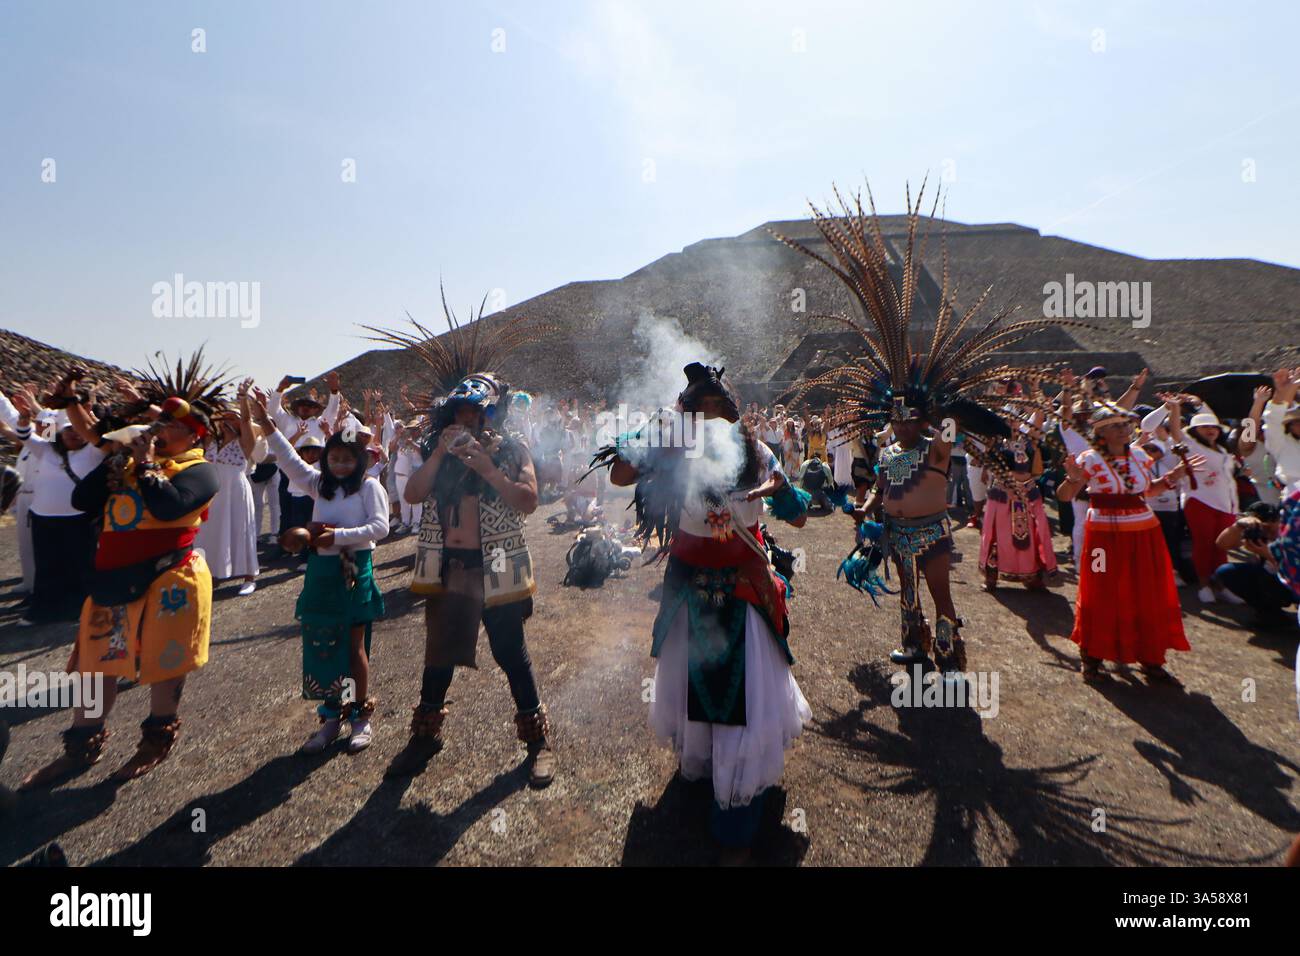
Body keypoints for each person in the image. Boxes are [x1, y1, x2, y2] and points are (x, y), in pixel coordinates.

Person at [596, 362, 811, 863]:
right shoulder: (672, 450)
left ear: (733, 414)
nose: (709, 419)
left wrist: (783, 489)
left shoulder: (756, 452)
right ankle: (705, 776)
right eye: (698, 410)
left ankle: (735, 824)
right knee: (696, 699)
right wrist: (655, 428)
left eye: (718, 410)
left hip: (741, 595)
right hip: (691, 595)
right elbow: (620, 472)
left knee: (742, 708)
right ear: (686, 413)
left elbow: (798, 515)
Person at [363, 301, 556, 786]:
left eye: (475, 414)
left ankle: (538, 743)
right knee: (439, 655)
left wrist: (487, 468)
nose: (467, 421)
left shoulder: (511, 450)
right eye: (460, 413)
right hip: (451, 566)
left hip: (497, 563)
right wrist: (439, 457)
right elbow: (411, 493)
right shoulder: (436, 451)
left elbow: (529, 501)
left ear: (490, 416)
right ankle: (424, 737)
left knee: (512, 654)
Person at [20, 353, 226, 787]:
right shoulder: (128, 462)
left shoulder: (202, 470)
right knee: (97, 664)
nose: (154, 430)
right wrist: (115, 459)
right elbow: (83, 502)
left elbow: (171, 506)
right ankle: (81, 748)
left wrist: (146, 465)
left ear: (191, 434)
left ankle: (155, 742)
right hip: (114, 579)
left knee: (164, 662)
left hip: (169, 578)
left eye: (166, 425)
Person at [251, 399, 390, 753]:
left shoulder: (369, 487)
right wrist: (267, 425)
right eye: (334, 458)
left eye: (347, 459)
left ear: (359, 461)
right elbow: (288, 460)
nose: (339, 464)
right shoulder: (318, 484)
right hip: (321, 571)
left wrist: (336, 537)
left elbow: (381, 527)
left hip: (352, 566)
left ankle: (359, 716)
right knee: (324, 644)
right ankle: (332, 717)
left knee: (353, 645)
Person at [1057, 402, 1199, 684]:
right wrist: (1072, 479)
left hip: (1145, 533)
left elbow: (1148, 490)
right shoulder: (1090, 459)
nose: (1125, 429)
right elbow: (1064, 495)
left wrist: (1172, 478)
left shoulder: (1139, 455)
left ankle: (1150, 656)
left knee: (1146, 591)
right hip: (1102, 538)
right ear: (1101, 433)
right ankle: (1093, 655)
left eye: (1125, 424)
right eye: (1116, 426)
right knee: (1100, 590)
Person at [8, 388, 104, 625]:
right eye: (68, 430)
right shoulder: (48, 448)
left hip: (80, 520)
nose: (74, 434)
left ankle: (80, 610)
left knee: (80, 569)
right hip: (43, 518)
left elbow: (102, 434)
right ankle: (42, 610)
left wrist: (86, 411)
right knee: (47, 568)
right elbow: (26, 435)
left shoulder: (95, 452)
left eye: (78, 430)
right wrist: (24, 415)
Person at [194, 378, 265, 595]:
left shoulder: (245, 443)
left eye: (231, 418)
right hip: (213, 492)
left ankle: (249, 576)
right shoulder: (210, 442)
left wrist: (242, 398)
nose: (228, 421)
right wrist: (199, 393)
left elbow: (245, 420)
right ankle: (213, 574)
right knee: (211, 531)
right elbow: (202, 416)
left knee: (241, 529)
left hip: (235, 490)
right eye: (225, 418)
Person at [1167, 400, 1241, 604]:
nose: (1210, 430)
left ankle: (1222, 584)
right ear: (1195, 430)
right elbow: (1175, 432)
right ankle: (1204, 584)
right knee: (1203, 544)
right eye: (1205, 427)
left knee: (1221, 545)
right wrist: (1175, 409)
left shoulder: (1224, 450)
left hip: (1226, 502)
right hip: (1200, 499)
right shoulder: (1190, 445)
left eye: (1213, 427)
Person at [978, 415, 1060, 590]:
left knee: (1032, 533)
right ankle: (991, 577)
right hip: (1003, 492)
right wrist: (1008, 488)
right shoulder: (996, 443)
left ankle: (1031, 576)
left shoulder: (1028, 441)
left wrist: (1036, 390)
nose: (1012, 423)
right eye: (1008, 421)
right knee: (998, 535)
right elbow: (993, 464)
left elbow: (1038, 422)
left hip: (1028, 491)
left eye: (1015, 420)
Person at [1212, 502, 1295, 627]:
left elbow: (1294, 571)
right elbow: (1221, 544)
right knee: (1227, 572)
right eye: (1263, 526)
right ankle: (1270, 614)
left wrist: (1267, 554)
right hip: (1272, 580)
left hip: (1292, 583)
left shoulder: (1292, 534)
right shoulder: (1256, 532)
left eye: (1270, 526)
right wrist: (1239, 526)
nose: (1267, 531)